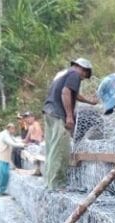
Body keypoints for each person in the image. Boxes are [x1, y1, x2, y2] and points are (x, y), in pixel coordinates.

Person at [42, 57, 98, 189]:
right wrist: (69, 116)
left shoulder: (63, 74)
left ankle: (49, 183)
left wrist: (90, 102)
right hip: (58, 114)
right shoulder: (75, 74)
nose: (83, 78)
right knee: (61, 150)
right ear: (83, 69)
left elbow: (74, 94)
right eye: (85, 75)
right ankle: (57, 185)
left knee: (51, 149)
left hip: (49, 113)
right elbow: (66, 92)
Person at [0, 123, 25, 196]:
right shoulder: (4, 135)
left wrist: (24, 141)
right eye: (13, 129)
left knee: (5, 175)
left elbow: (16, 140)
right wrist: (24, 145)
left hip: (5, 159)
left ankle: (2, 191)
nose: (14, 130)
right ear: (9, 129)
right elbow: (13, 143)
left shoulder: (9, 135)